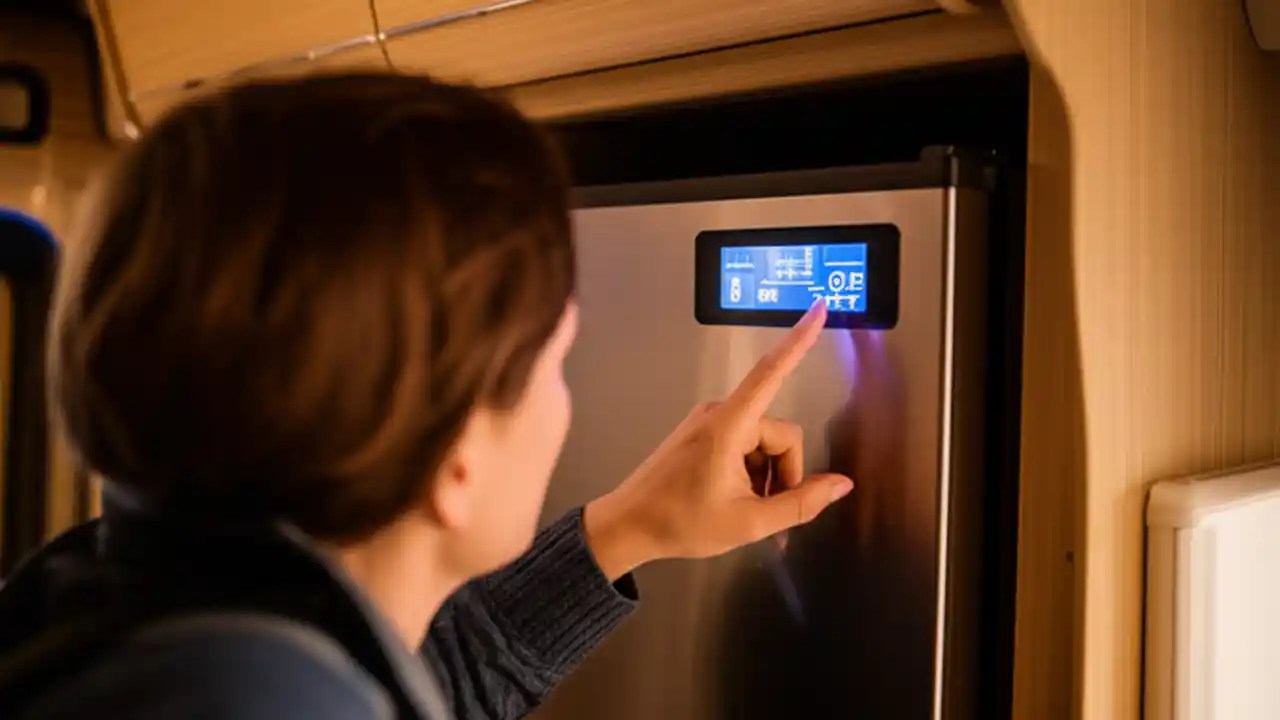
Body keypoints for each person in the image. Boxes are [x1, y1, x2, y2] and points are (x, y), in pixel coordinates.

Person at [0, 73, 854, 719]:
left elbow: (414, 682)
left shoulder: (98, 608)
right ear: (457, 461)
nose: (563, 403)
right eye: (556, 362)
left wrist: (631, 527)